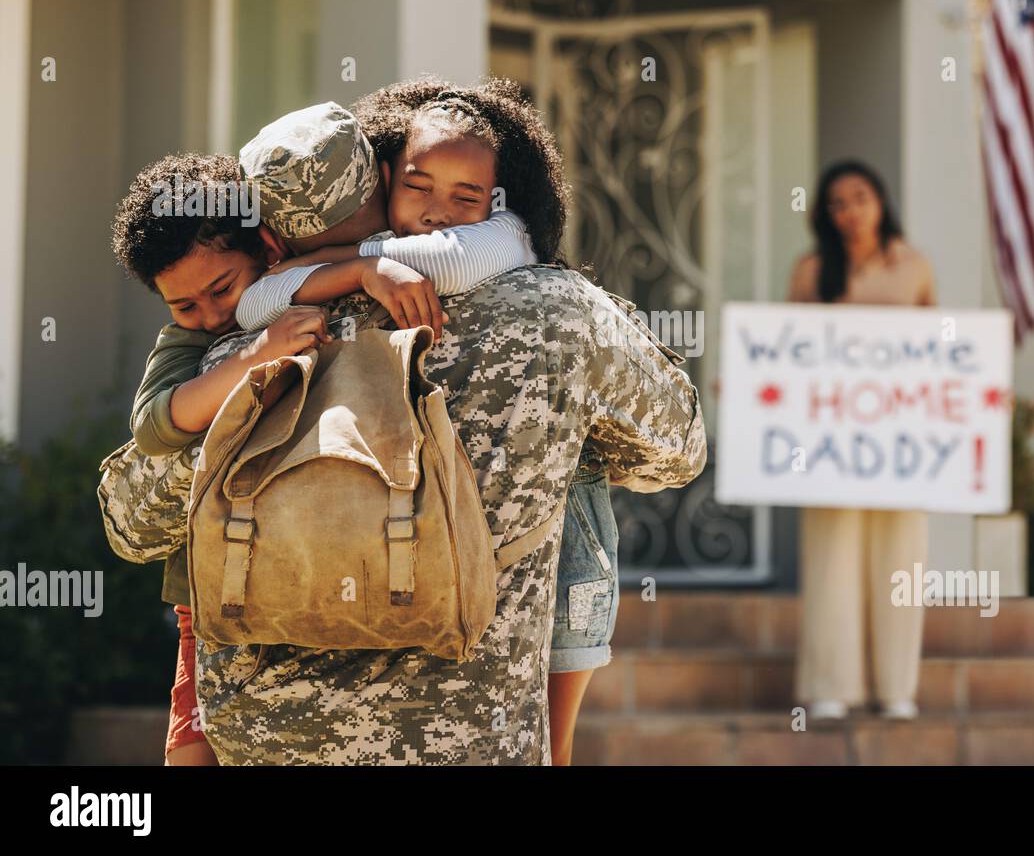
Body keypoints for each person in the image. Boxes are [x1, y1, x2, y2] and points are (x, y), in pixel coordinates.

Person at [101, 76, 707, 763]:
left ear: (269, 238)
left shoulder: (246, 350)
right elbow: (678, 449)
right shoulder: (564, 317)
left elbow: (132, 517)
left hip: (272, 742)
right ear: (384, 178)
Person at [786, 159, 936, 722]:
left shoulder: (914, 267)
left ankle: (898, 687)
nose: (850, 211)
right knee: (832, 561)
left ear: (881, 201)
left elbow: (944, 353)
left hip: (902, 444)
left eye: (861, 197)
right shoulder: (811, 271)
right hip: (831, 443)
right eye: (837, 202)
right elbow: (784, 346)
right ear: (825, 214)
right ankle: (833, 685)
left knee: (901, 563)